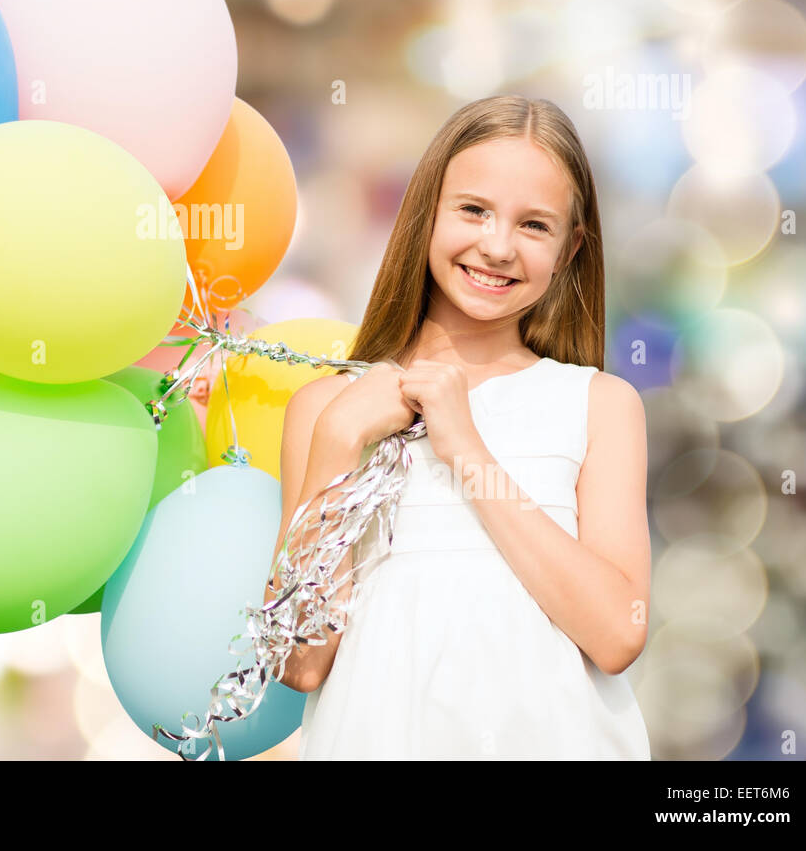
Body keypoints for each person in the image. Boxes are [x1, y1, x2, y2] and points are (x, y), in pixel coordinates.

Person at [267, 95, 651, 759]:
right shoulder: (328, 410)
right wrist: (335, 445)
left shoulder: (599, 404)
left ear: (569, 249)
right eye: (473, 210)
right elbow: (301, 663)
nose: (497, 245)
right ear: (426, 214)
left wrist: (468, 451)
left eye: (534, 225)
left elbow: (618, 632)